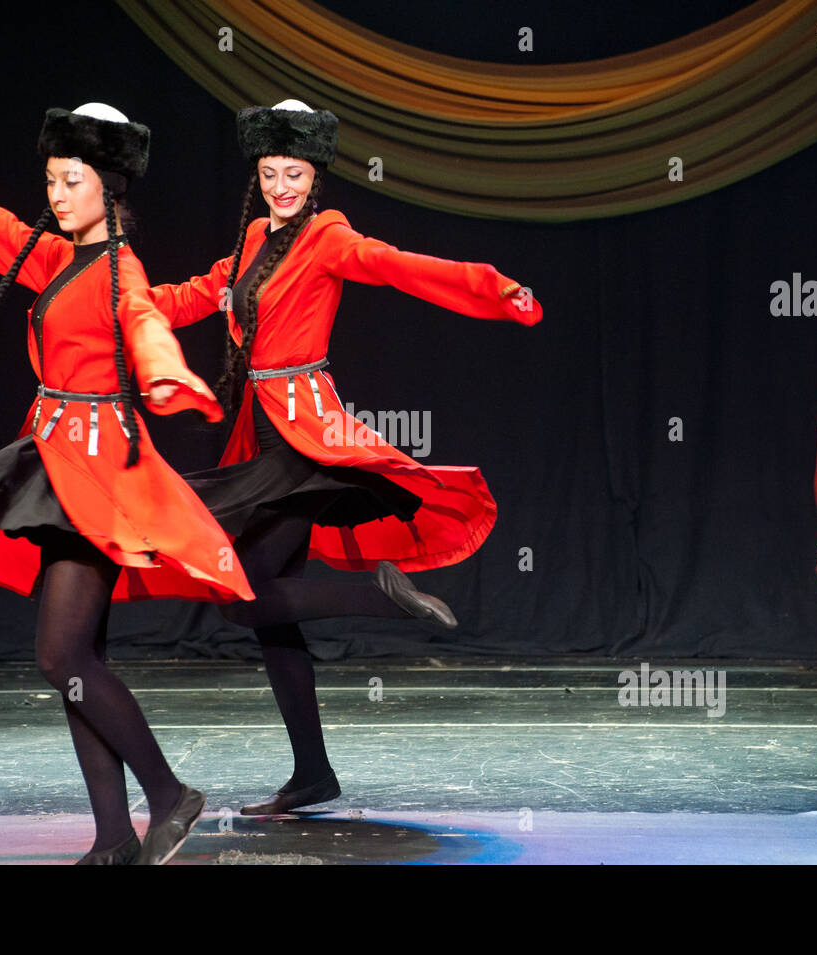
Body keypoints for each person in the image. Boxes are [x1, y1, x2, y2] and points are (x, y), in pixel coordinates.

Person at [0, 104, 253, 864]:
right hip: (55, 468)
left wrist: (167, 378)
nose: (57, 194)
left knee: (61, 657)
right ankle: (110, 835)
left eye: (72, 181)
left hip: (98, 481)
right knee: (76, 661)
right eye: (50, 180)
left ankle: (168, 793)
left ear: (110, 187)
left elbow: (143, 321)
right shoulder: (55, 256)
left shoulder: (119, 264)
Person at [122, 100, 541, 815]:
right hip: (260, 433)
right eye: (269, 172)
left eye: (294, 173)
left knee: (245, 592)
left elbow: (400, 267)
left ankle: (376, 592)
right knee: (261, 609)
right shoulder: (255, 236)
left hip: (305, 436)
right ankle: (313, 772)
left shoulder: (327, 237)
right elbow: (203, 293)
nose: (282, 185)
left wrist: (493, 287)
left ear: (315, 174)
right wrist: (128, 305)